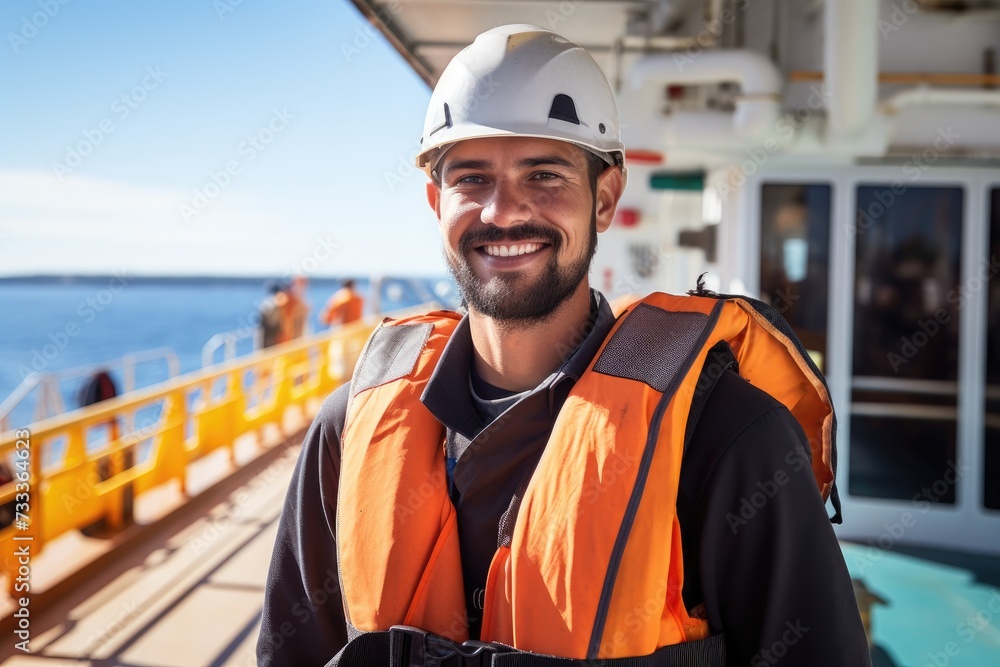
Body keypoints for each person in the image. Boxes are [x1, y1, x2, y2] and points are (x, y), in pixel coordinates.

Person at [257, 25, 871, 666]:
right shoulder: (348, 433)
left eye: (544, 175)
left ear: (604, 198)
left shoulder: (726, 439)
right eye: (472, 178)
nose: (503, 212)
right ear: (437, 201)